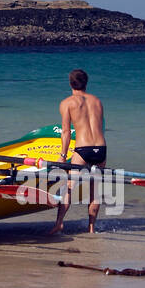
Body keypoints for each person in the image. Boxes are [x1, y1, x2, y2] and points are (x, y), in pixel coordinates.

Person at [46, 69, 106, 236]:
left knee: (69, 187)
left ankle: (59, 223)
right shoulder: (97, 101)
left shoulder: (67, 103)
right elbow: (100, 126)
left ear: (70, 83)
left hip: (83, 149)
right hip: (101, 149)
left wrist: (63, 155)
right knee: (95, 189)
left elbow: (65, 132)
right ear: (86, 82)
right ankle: (92, 228)